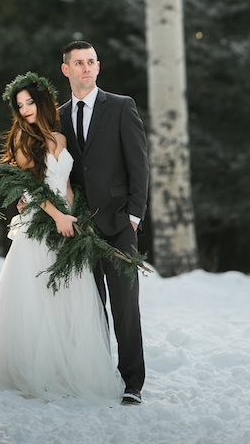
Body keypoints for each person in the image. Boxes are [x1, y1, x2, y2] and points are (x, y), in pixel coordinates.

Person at [0, 71, 124, 403]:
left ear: (42, 102)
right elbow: (32, 187)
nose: (26, 109)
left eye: (30, 102)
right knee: (40, 293)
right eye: (20, 105)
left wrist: (75, 218)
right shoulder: (21, 140)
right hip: (41, 224)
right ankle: (36, 366)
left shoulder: (59, 138)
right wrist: (57, 216)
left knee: (69, 292)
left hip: (67, 222)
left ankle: (67, 365)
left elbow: (67, 184)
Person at [60, 40, 149, 405]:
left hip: (119, 224)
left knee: (125, 306)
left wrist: (134, 215)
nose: (86, 68)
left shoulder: (121, 107)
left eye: (91, 62)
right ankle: (98, 375)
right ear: (66, 69)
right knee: (91, 306)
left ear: (99, 67)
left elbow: (139, 163)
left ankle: (133, 383)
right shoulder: (60, 114)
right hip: (80, 228)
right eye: (78, 63)